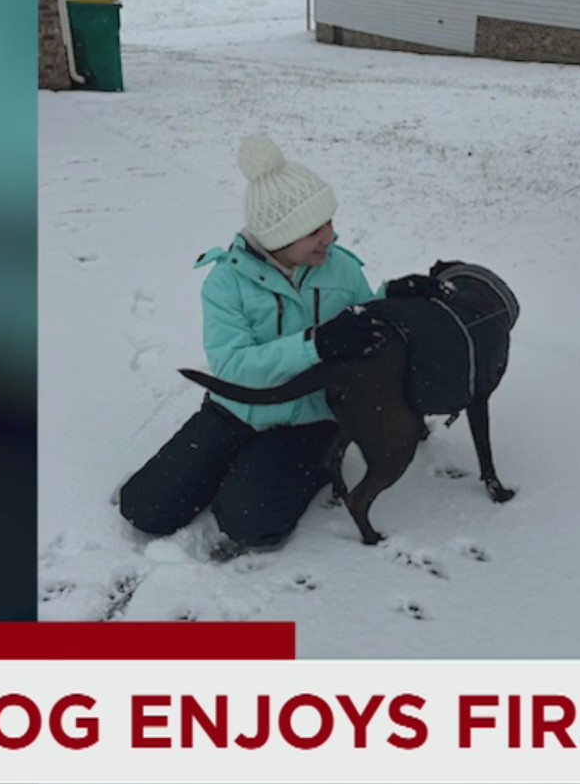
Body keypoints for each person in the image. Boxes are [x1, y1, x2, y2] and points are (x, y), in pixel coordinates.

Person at [117, 134, 416, 553]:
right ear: (278, 236)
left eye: (329, 222)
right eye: (313, 230)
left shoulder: (342, 270)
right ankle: (235, 464)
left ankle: (308, 466)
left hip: (309, 419)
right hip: (235, 408)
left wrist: (394, 299)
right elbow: (232, 366)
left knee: (250, 524)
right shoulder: (225, 282)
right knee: (144, 509)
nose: (330, 236)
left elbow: (366, 327)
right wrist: (315, 344)